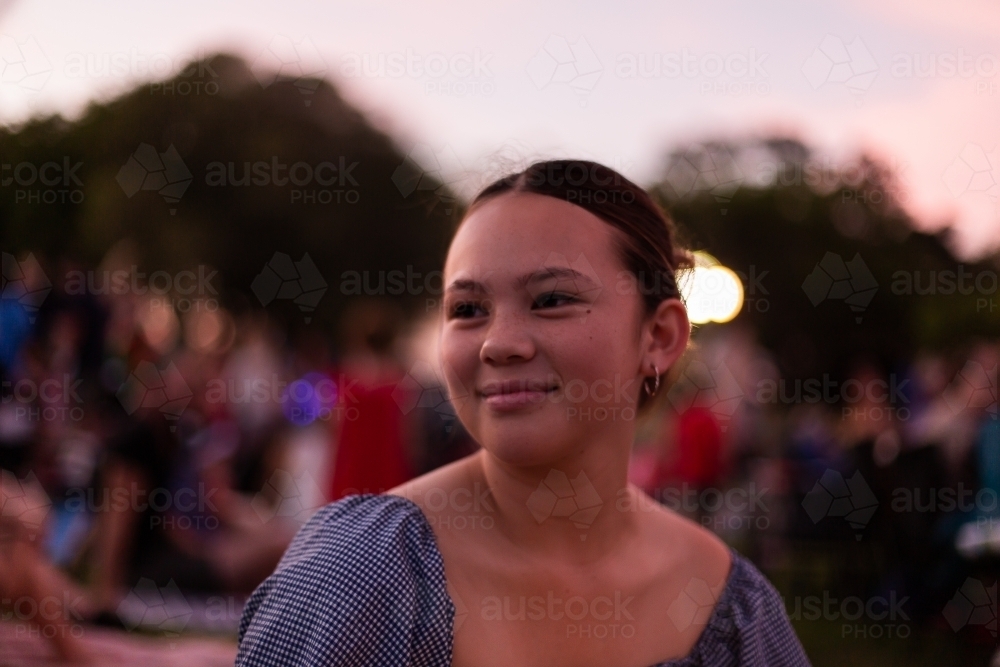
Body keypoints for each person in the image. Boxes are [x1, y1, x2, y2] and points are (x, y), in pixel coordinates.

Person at [235, 160, 811, 666]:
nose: (498, 343)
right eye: (467, 308)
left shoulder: (731, 611)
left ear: (658, 337)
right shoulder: (363, 574)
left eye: (552, 300)